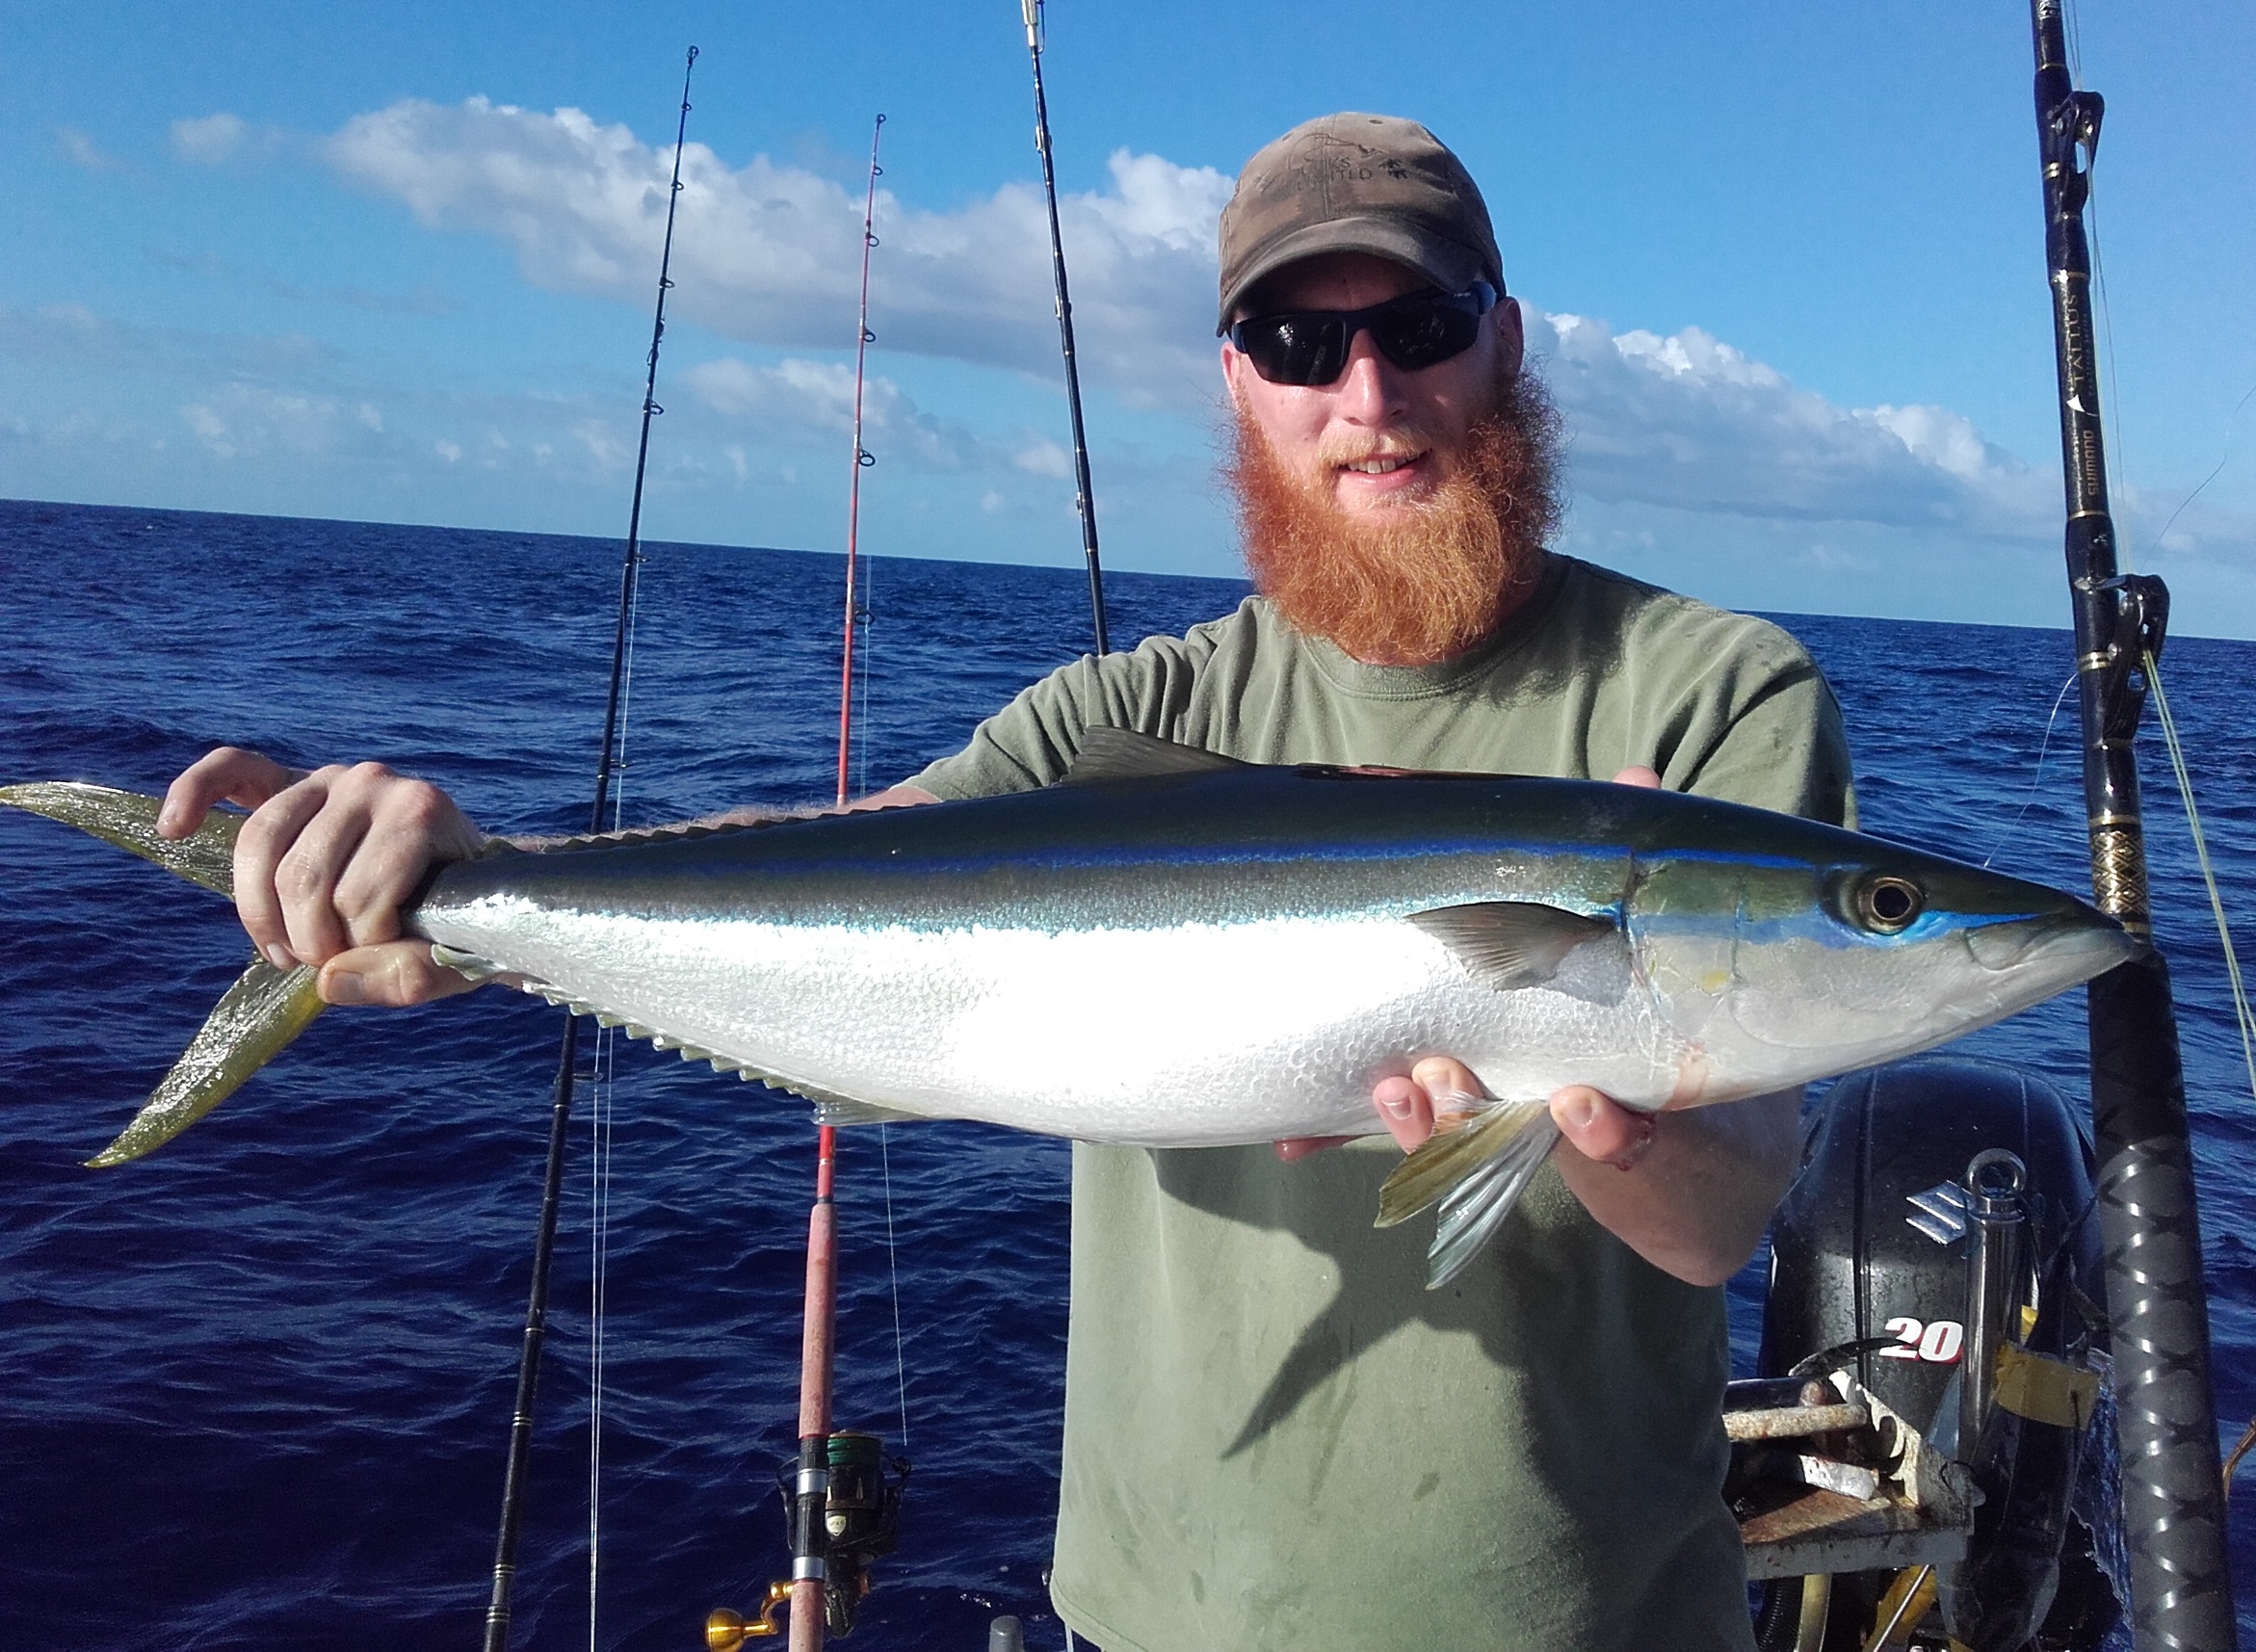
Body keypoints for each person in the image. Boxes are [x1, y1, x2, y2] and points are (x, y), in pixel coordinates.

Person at [161, 113, 1852, 1652]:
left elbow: (1717, 1221)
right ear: (1236, 383)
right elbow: (821, 876)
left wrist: (1614, 1114)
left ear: (1503, 338)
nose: (1365, 396)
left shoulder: (1707, 696)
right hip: (1149, 1613)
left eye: (1414, 328)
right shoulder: (1125, 715)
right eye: (1295, 340)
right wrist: (459, 896)